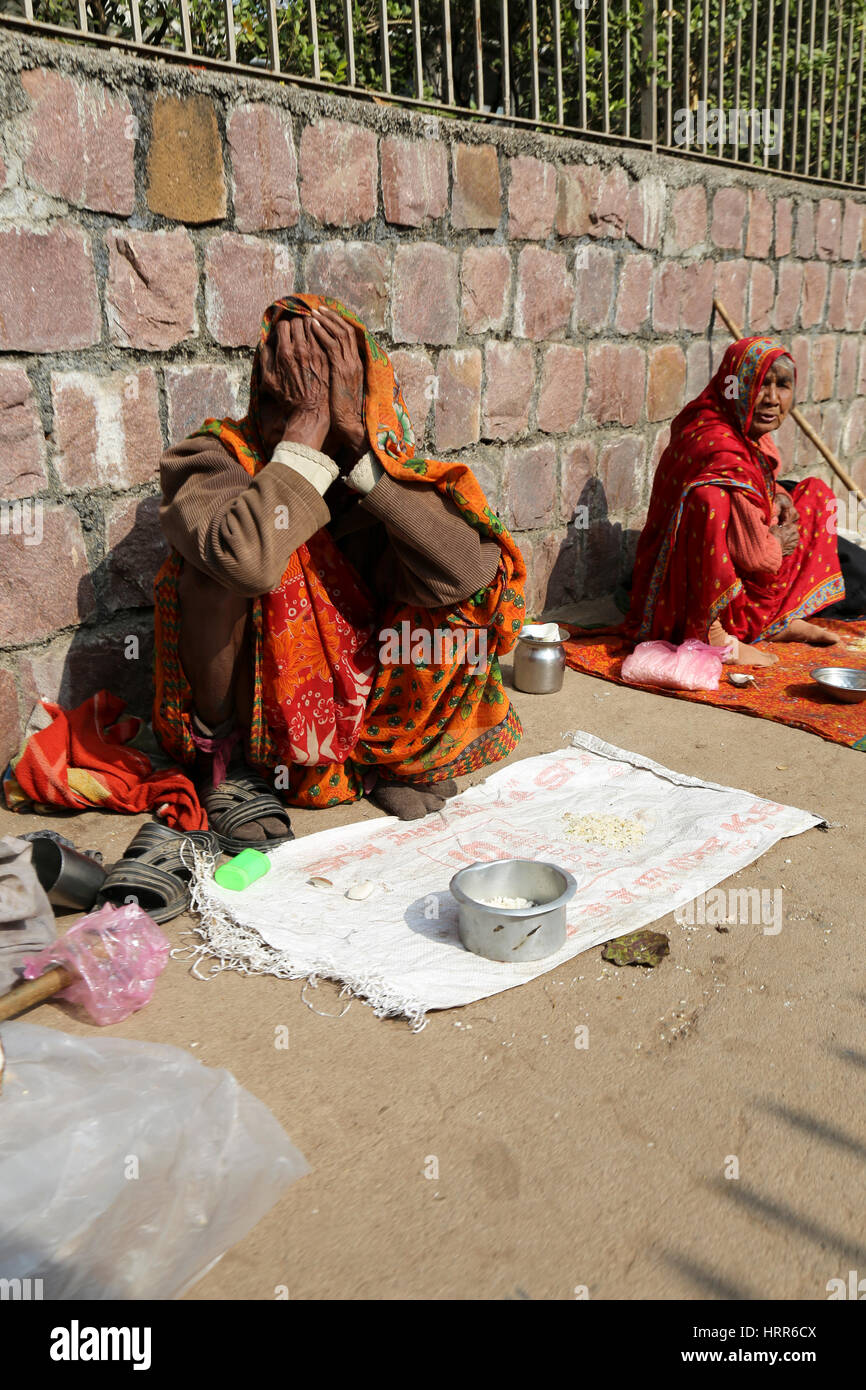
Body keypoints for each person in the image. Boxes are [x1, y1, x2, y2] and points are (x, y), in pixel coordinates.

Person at [152, 295, 526, 848]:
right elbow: (247, 562)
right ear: (265, 389)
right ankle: (223, 766)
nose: (310, 413)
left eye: (325, 394)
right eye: (291, 394)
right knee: (227, 565)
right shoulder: (212, 458)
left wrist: (358, 447)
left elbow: (469, 573)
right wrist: (303, 434)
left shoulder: (377, 461)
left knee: (458, 591)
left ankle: (384, 751)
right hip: (253, 724)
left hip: (359, 684)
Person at [626, 335, 844, 666]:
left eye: (782, 386)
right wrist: (778, 542)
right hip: (695, 599)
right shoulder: (716, 442)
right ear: (734, 387)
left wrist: (780, 495)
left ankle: (776, 619)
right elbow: (757, 557)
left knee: (815, 495)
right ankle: (714, 636)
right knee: (708, 499)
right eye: (759, 385)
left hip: (746, 582)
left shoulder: (748, 433)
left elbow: (760, 489)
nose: (772, 399)